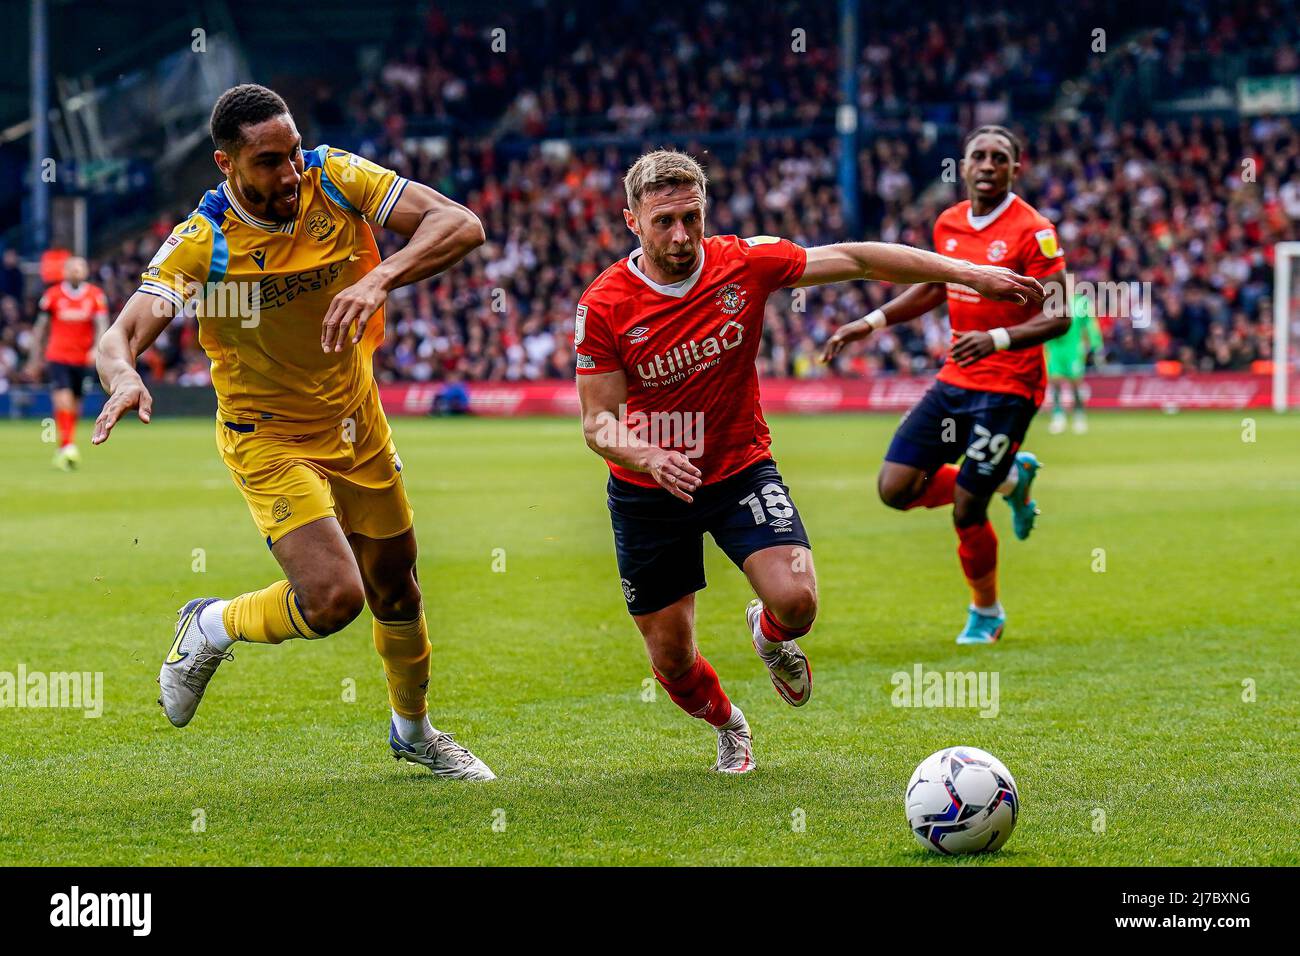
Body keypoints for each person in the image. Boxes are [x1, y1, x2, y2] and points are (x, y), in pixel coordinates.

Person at [576, 149, 1043, 772]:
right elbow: (598, 422)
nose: (682, 235)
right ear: (632, 220)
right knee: (672, 659)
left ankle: (767, 634)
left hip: (739, 467)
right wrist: (649, 453)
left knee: (797, 604)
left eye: (692, 217)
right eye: (664, 221)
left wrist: (973, 275)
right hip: (648, 489)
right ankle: (728, 724)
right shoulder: (605, 305)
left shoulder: (745, 262)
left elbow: (857, 258)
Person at [93, 84, 494, 779]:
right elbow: (119, 334)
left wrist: (381, 278)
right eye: (269, 162)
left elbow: (460, 224)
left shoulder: (336, 179)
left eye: (294, 153)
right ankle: (213, 624)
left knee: (397, 586)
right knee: (336, 597)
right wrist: (123, 375)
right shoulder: (205, 240)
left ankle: (414, 731)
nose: (288, 174)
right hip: (268, 436)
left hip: (355, 417)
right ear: (226, 164)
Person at [823, 126, 1070, 645]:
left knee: (966, 507)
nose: (986, 164)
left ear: (1014, 169)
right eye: (977, 155)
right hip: (956, 381)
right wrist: (866, 324)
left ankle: (987, 612)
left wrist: (997, 338)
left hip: (1009, 387)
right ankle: (1008, 479)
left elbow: (1060, 314)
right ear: (963, 164)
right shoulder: (948, 223)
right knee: (894, 488)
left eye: (998, 157)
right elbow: (934, 286)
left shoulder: (1034, 231)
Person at [27, 256, 109, 470]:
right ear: (65, 272)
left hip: (83, 359)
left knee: (75, 404)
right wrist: (35, 357)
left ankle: (64, 446)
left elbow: (102, 325)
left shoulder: (95, 295)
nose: (76, 272)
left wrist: (96, 349)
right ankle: (68, 446)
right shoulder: (53, 295)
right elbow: (40, 328)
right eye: (73, 268)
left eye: (80, 268)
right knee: (63, 400)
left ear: (85, 271)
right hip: (58, 356)